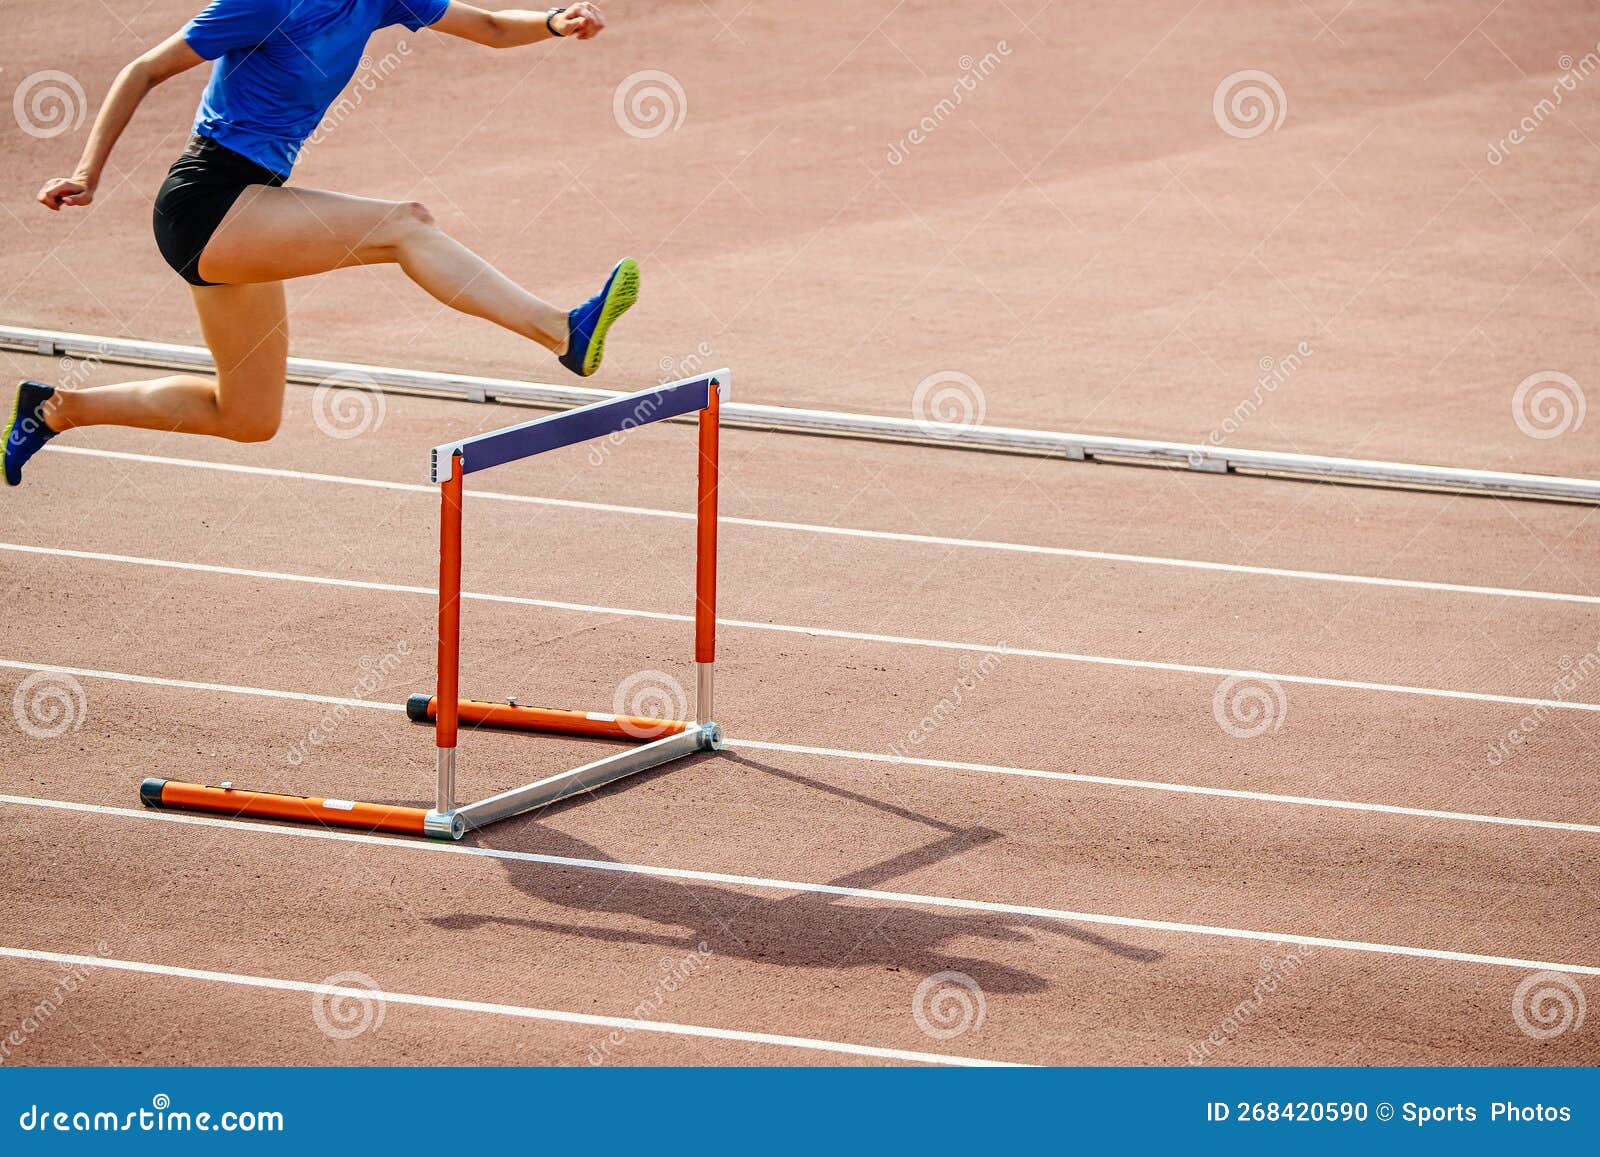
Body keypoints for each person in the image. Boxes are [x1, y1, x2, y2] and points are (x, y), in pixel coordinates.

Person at [6, 1, 636, 486]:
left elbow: (492, 28)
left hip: (253, 210)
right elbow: (143, 69)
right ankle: (563, 332)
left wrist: (554, 21)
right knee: (404, 225)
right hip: (207, 202)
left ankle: (54, 409)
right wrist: (87, 174)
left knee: (247, 417)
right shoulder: (265, 3)